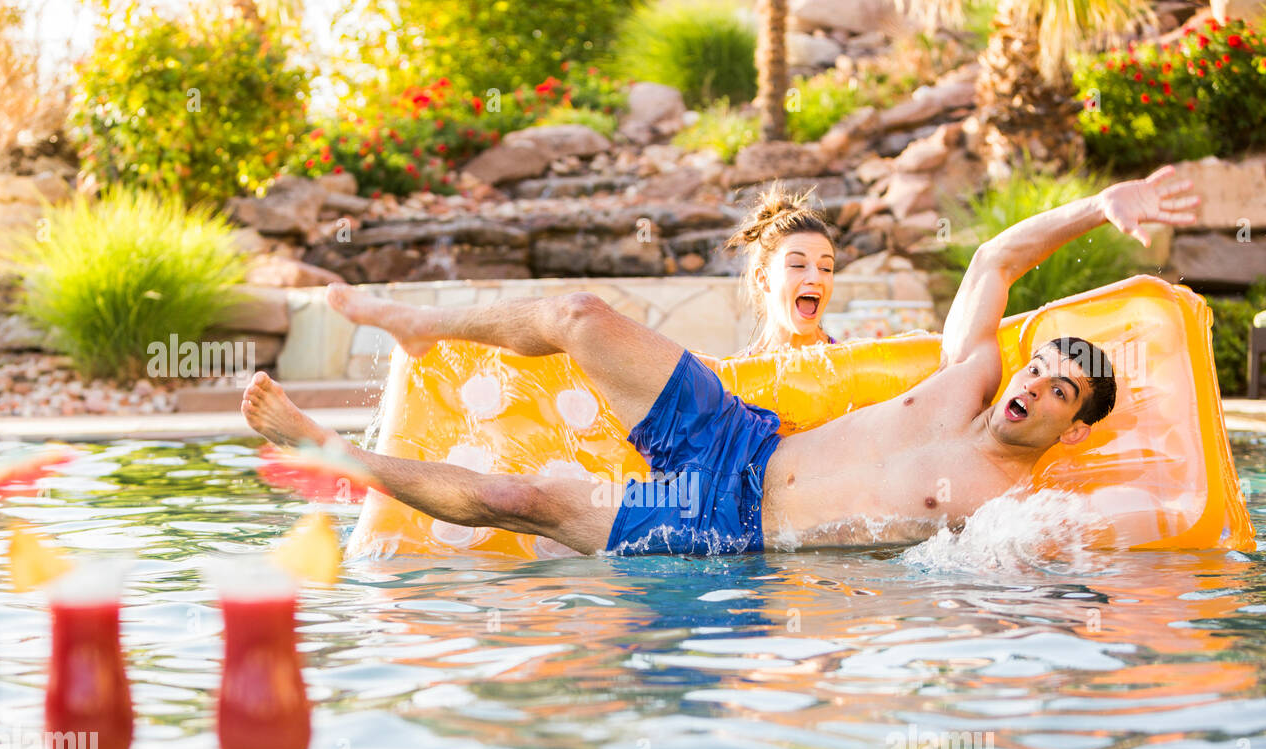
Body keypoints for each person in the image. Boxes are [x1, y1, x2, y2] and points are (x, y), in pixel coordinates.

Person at [241, 165, 1198, 557]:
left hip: (724, 522)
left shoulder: (1012, 514)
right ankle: (416, 323)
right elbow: (994, 260)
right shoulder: (964, 380)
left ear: (1073, 422)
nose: (1034, 385)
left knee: (524, 501)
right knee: (580, 312)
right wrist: (1098, 205)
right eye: (1040, 368)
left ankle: (330, 453)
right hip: (736, 433)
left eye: (1061, 388)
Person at [725, 183, 838, 355]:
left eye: (826, 268)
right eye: (797, 265)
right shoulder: (734, 376)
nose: (815, 278)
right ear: (763, 278)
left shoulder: (853, 366)